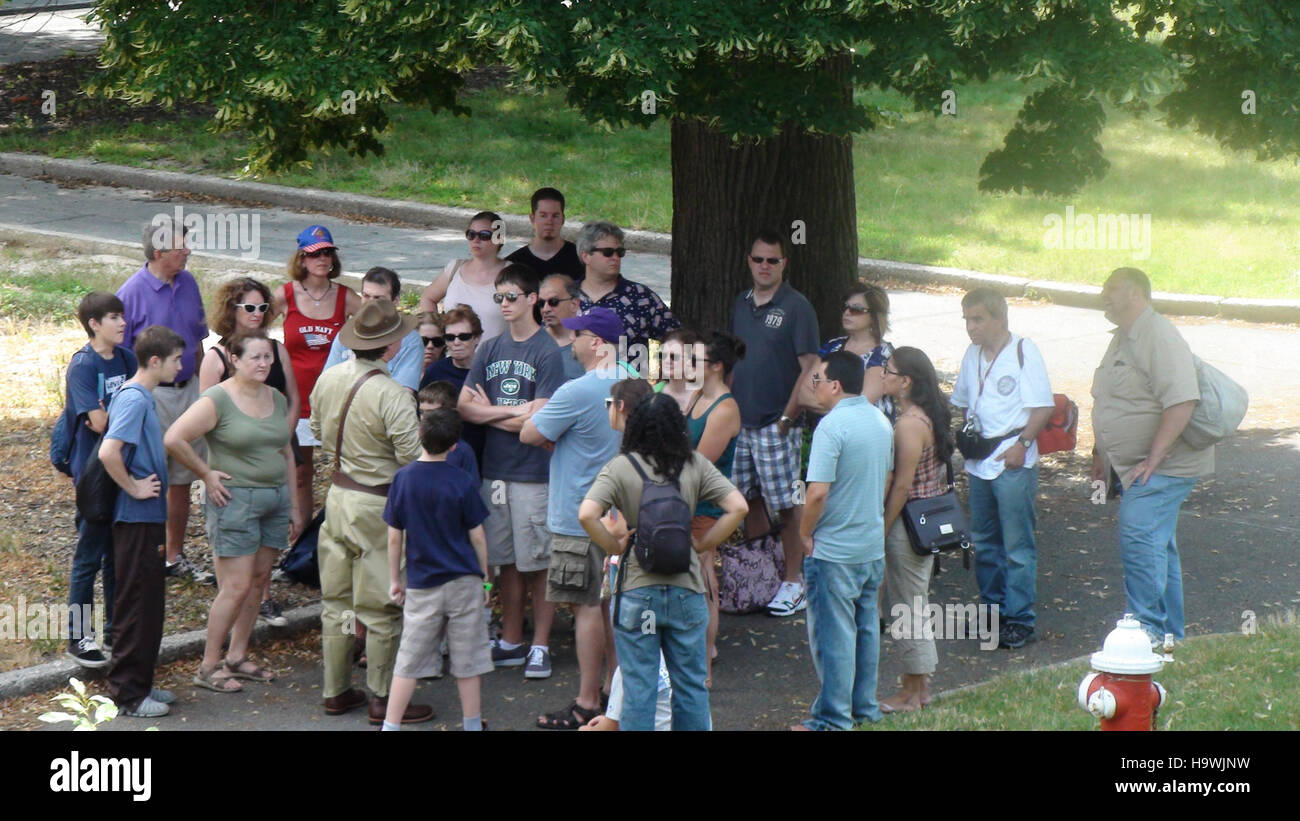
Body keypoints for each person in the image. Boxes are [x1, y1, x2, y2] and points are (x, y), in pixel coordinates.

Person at [580, 392, 748, 731]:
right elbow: (739, 507)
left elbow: (587, 514)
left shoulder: (620, 467)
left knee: (640, 688)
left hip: (638, 595)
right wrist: (703, 542)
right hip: (686, 592)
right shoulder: (695, 464)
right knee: (690, 686)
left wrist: (614, 542)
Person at [309, 299, 431, 724]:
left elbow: (317, 432)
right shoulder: (392, 394)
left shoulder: (328, 379)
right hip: (378, 504)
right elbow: (413, 457)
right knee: (380, 605)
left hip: (337, 498)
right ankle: (381, 696)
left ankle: (336, 689)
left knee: (338, 601)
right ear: (392, 346)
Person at [165, 331, 302, 694]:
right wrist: (206, 474)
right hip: (235, 501)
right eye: (255, 357)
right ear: (235, 360)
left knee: (259, 581)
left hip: (274, 500)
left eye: (268, 357)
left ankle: (237, 657)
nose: (264, 364)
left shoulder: (274, 396)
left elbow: (286, 451)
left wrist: (293, 505)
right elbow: (174, 438)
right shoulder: (217, 399)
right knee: (236, 585)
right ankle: (208, 665)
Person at [1091, 267, 1211, 647]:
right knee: (1158, 543)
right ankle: (1171, 637)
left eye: (1113, 288)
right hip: (1135, 465)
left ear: (1137, 294)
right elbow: (1112, 399)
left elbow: (1182, 400)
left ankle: (1146, 634)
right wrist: (1101, 453)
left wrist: (1154, 458)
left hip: (1166, 464)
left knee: (1139, 534)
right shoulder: (1122, 338)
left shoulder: (1158, 334)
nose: (1104, 294)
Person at [457, 263, 566, 678]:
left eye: (511, 297)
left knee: (537, 561)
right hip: (495, 472)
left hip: (533, 474)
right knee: (505, 563)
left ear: (532, 300)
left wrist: (490, 412)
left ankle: (540, 645)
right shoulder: (489, 348)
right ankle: (512, 639)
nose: (503, 304)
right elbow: (465, 407)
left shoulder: (546, 352)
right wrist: (510, 412)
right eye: (498, 297)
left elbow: (541, 420)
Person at [521, 307, 626, 729]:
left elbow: (531, 434)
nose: (572, 341)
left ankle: (587, 702)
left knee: (585, 607)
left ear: (596, 342)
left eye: (578, 334)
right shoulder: (636, 381)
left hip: (578, 517)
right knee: (612, 608)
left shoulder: (577, 390)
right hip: (621, 515)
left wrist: (532, 416)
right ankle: (619, 695)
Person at [794, 351, 894, 731]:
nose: (813, 385)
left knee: (833, 636)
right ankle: (863, 707)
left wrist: (804, 533)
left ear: (835, 385)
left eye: (817, 379)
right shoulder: (879, 420)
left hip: (833, 551)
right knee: (866, 631)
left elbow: (817, 492)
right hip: (869, 546)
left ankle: (833, 718)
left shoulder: (831, 427)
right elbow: (885, 478)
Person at [951, 288, 1054, 650]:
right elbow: (965, 403)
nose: (971, 327)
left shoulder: (1023, 351)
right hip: (980, 463)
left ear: (999, 319)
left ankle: (1020, 619)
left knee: (1017, 545)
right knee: (985, 543)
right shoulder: (972, 354)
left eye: (977, 319)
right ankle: (992, 613)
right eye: (967, 320)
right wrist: (971, 439)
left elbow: (1043, 407)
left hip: (1013, 460)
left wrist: (1022, 444)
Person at [381, 409, 494, 731]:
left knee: (410, 658)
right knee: (467, 659)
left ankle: (391, 725)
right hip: (463, 581)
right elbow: (477, 534)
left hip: (421, 583)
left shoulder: (403, 479)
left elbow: (394, 537)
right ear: (455, 445)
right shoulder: (461, 480)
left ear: (419, 433)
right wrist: (484, 578)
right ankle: (472, 724)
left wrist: (394, 579)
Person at [199, 276, 301, 628]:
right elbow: (205, 418)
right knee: (235, 550)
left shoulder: (276, 348)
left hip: (276, 447)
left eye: (263, 307)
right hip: (234, 465)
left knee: (268, 544)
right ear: (232, 310)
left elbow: (292, 396)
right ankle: (227, 609)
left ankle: (265, 598)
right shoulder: (216, 357)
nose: (257, 314)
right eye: (249, 307)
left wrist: (279, 436)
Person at [728, 229, 820, 617]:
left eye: (773, 260)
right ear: (748, 261)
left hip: (775, 424)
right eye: (758, 259)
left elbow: (811, 367)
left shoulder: (797, 307)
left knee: (787, 504)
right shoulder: (741, 303)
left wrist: (788, 416)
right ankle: (763, 572)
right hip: (742, 421)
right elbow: (734, 360)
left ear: (785, 263)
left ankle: (795, 581)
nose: (765, 266)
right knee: (746, 498)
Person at [117, 218, 213, 584]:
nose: (187, 251)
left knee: (183, 477)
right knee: (151, 473)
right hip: (153, 397)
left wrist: (203, 385)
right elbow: (122, 357)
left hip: (189, 390)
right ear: (159, 254)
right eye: (180, 247)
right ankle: (146, 554)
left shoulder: (188, 283)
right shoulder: (130, 294)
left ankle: (174, 555)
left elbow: (198, 337)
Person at [98, 325, 185, 718]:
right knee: (136, 602)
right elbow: (108, 452)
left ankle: (141, 681)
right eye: (176, 360)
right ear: (155, 361)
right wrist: (133, 488)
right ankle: (128, 694)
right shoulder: (134, 399)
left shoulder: (141, 397)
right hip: (135, 518)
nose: (181, 366)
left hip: (148, 517)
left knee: (149, 602)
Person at [63, 292, 138, 668]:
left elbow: (141, 407)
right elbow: (98, 422)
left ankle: (114, 629)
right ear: (94, 324)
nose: (123, 323)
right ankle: (78, 637)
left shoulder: (127, 358)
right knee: (89, 556)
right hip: (92, 473)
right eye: (114, 317)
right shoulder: (83, 366)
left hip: (122, 468)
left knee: (116, 555)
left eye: (122, 316)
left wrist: (116, 411)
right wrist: (119, 411)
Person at [878, 347, 953, 712]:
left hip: (907, 526)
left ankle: (911, 693)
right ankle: (919, 689)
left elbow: (902, 486)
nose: (882, 373)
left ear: (905, 381)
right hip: (925, 524)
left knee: (907, 607)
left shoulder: (909, 425)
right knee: (914, 604)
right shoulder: (925, 416)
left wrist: (882, 528)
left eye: (888, 370)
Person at [274, 225, 361, 523]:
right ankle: (300, 534)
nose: (322, 259)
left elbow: (378, 329)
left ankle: (342, 530)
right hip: (296, 399)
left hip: (336, 399)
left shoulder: (346, 297)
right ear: (301, 259)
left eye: (327, 253)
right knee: (300, 472)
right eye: (315, 254)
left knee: (348, 469)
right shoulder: (285, 295)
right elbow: (252, 327)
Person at [683, 331, 744, 687]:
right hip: (685, 502)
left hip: (705, 505)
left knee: (704, 583)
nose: (689, 366)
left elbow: (699, 464)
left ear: (717, 367)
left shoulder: (724, 408)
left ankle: (704, 666)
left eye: (696, 361)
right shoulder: (696, 397)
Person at [576, 221, 678, 355]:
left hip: (630, 375)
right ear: (586, 256)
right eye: (608, 252)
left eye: (620, 252)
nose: (615, 257)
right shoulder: (564, 297)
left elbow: (678, 342)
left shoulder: (641, 297)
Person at [323, 266, 424, 392]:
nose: (371, 303)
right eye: (366, 296)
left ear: (395, 301)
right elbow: (326, 383)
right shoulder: (347, 334)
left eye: (378, 298)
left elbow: (404, 394)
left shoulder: (410, 341)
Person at [418, 211, 510, 341]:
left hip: (495, 359)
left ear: (499, 238)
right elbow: (428, 298)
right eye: (471, 234)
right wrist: (435, 332)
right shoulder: (454, 268)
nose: (476, 240)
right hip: (453, 358)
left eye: (484, 235)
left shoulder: (512, 274)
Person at [816, 283, 897, 422]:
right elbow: (805, 390)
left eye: (856, 310)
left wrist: (822, 402)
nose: (847, 313)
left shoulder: (884, 354)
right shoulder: (832, 346)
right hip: (830, 431)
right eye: (845, 307)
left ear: (874, 316)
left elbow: (861, 404)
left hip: (866, 434)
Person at [421, 305, 487, 465]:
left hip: (485, 456)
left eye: (463, 336)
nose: (456, 342)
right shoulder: (435, 372)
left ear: (476, 338)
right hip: (443, 457)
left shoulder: (490, 371)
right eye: (450, 337)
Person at [505, 187, 584, 278]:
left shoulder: (581, 259)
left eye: (555, 216)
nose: (549, 221)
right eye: (543, 215)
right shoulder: (514, 263)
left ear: (563, 219)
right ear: (532, 218)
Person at [417, 381, 480, 485]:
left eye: (431, 412)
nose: (424, 418)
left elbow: (472, 488)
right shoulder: (414, 444)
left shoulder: (463, 451)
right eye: (421, 412)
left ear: (450, 412)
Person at [539, 273, 586, 380]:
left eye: (553, 302)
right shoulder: (530, 341)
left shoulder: (593, 345)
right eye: (541, 303)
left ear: (574, 304)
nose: (545, 309)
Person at [654, 328, 700, 411]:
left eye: (674, 356)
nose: (667, 360)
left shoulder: (702, 396)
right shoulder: (652, 393)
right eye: (663, 355)